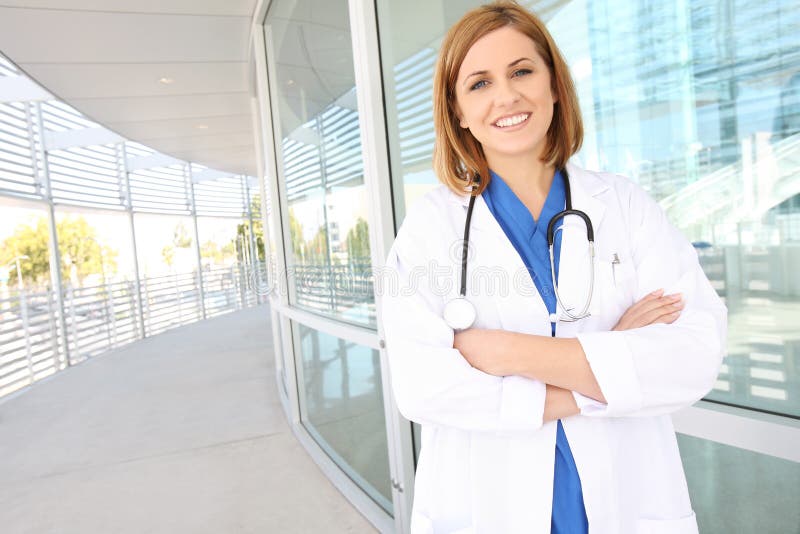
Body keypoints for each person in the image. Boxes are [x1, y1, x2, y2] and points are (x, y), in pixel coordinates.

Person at [379, 1, 728, 533]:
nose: (507, 96)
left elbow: (694, 354)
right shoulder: (431, 228)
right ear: (455, 111)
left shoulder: (626, 206)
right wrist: (607, 367)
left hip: (625, 500)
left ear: (555, 84)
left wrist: (505, 352)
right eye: (479, 83)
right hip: (488, 506)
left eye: (522, 71)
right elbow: (423, 386)